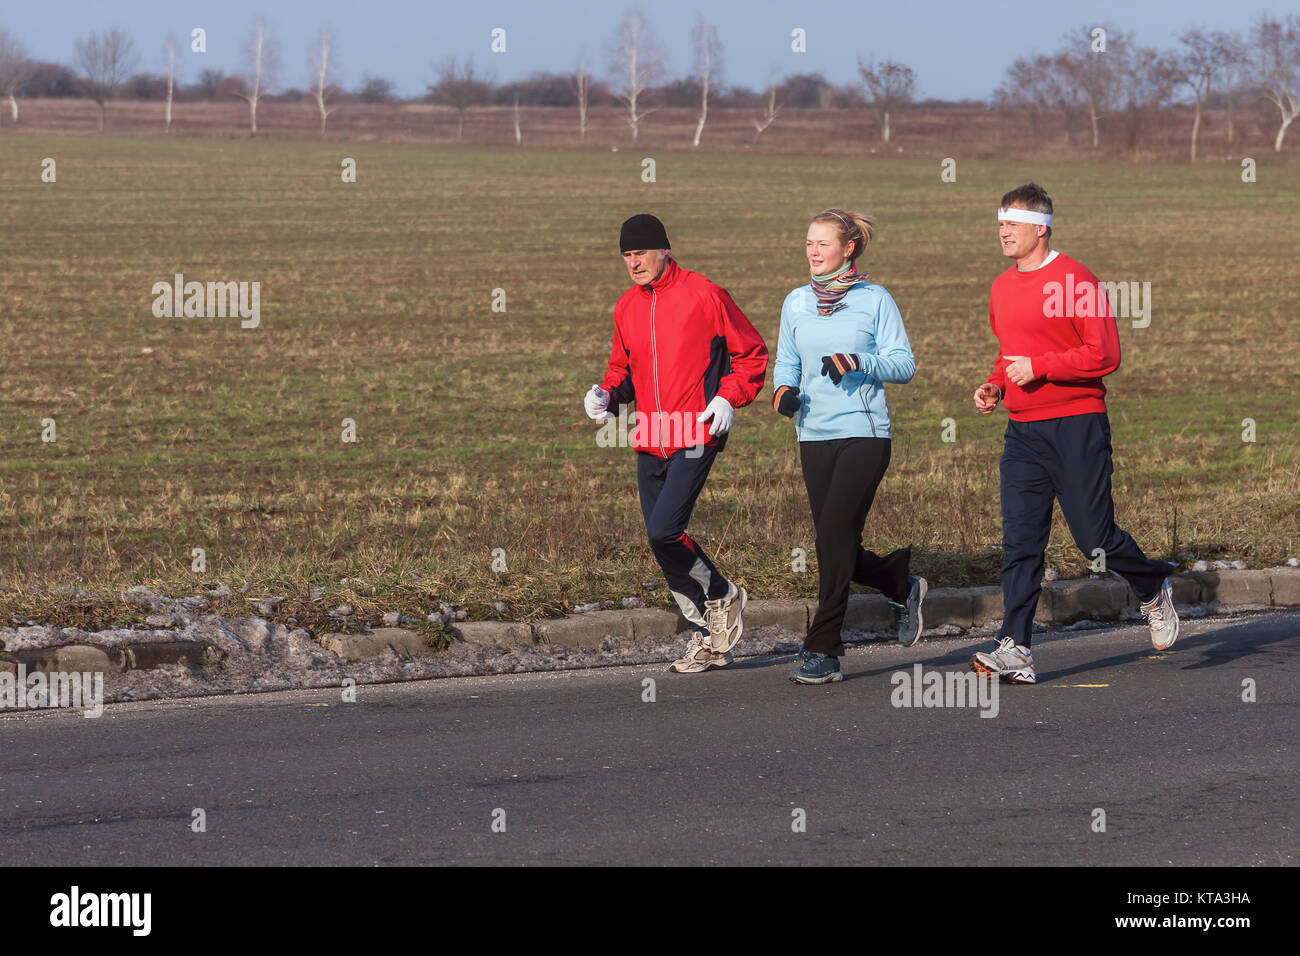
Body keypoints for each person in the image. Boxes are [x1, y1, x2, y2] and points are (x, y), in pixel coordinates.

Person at [971, 183, 1179, 685]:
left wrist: (1039, 367)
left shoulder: (1074, 279)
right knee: (1020, 542)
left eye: (1011, 225)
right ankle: (1016, 646)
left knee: (1094, 539)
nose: (1002, 232)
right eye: (1000, 224)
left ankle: (1151, 585)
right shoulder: (1001, 287)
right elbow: (1008, 353)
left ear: (1039, 229)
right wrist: (995, 384)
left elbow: (1104, 353)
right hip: (1022, 433)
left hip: (1076, 425)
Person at [586, 214, 769, 673]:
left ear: (664, 250)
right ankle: (705, 637)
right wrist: (606, 396)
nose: (633, 263)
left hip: (695, 433)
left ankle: (724, 595)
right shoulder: (626, 306)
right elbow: (622, 371)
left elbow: (751, 354)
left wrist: (728, 398)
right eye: (627, 255)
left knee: (664, 530)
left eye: (641, 253)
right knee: (662, 544)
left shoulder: (705, 294)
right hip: (651, 438)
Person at [771, 208, 926, 686]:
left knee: (830, 537)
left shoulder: (874, 300)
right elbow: (786, 364)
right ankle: (897, 582)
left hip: (865, 433)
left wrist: (858, 361)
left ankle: (824, 649)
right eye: (808, 243)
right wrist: (783, 395)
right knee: (834, 542)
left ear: (848, 248)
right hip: (813, 436)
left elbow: (903, 363)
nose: (813, 252)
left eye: (822, 244)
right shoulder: (795, 303)